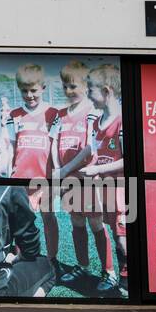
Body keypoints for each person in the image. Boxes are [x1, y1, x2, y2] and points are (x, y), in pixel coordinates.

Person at [52, 60, 102, 286]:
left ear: (86, 86)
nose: (68, 91)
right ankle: (83, 266)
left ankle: (109, 272)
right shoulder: (60, 115)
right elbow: (53, 143)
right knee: (76, 223)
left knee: (96, 225)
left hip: (87, 180)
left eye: (73, 86)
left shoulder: (93, 112)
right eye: (65, 86)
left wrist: (64, 170)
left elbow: (90, 148)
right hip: (67, 180)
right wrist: (57, 170)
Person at [4, 63, 60, 262]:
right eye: (24, 91)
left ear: (43, 87)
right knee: (21, 220)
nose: (29, 95)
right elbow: (11, 146)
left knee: (48, 217)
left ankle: (52, 260)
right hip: (20, 178)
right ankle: (22, 257)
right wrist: (9, 173)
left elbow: (55, 148)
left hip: (44, 178)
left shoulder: (54, 114)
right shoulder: (14, 115)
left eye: (33, 90)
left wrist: (56, 175)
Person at [82, 64, 126, 294]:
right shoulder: (98, 121)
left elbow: (130, 161)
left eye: (91, 89)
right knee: (117, 237)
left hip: (122, 191)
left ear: (107, 91)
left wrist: (99, 169)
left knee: (123, 240)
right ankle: (122, 280)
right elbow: (96, 154)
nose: (88, 93)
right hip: (106, 189)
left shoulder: (121, 121)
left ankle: (132, 283)